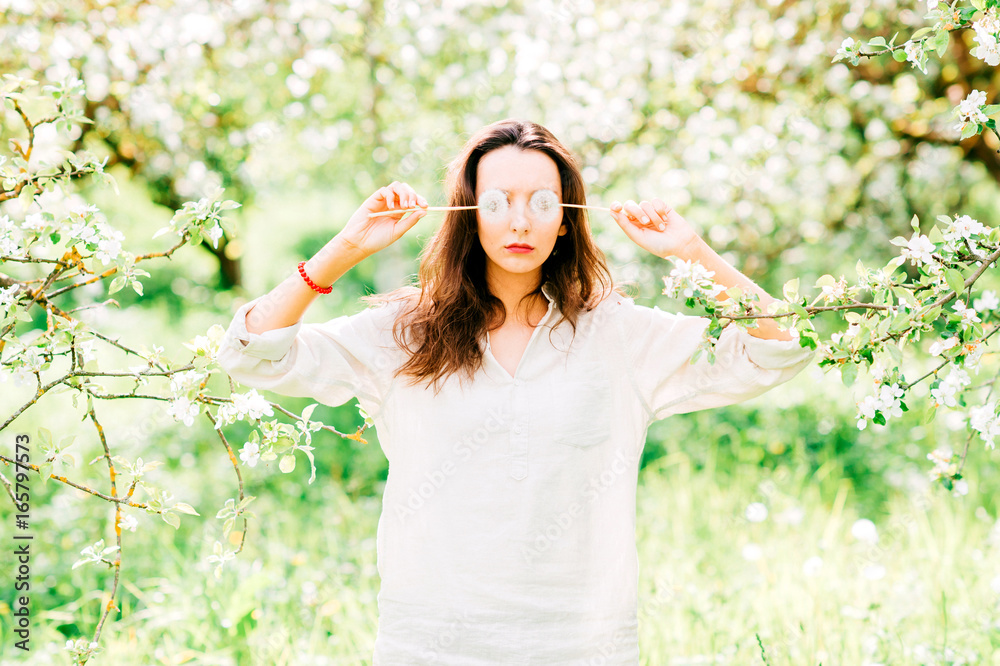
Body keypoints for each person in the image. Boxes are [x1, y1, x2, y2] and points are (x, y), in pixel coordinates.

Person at [216, 118, 815, 664]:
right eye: (498, 202)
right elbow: (253, 355)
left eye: (542, 202)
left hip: (583, 642)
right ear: (468, 211)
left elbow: (781, 346)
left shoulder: (618, 333)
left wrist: (692, 251)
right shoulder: (403, 332)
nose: (520, 221)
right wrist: (345, 249)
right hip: (430, 641)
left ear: (567, 216)